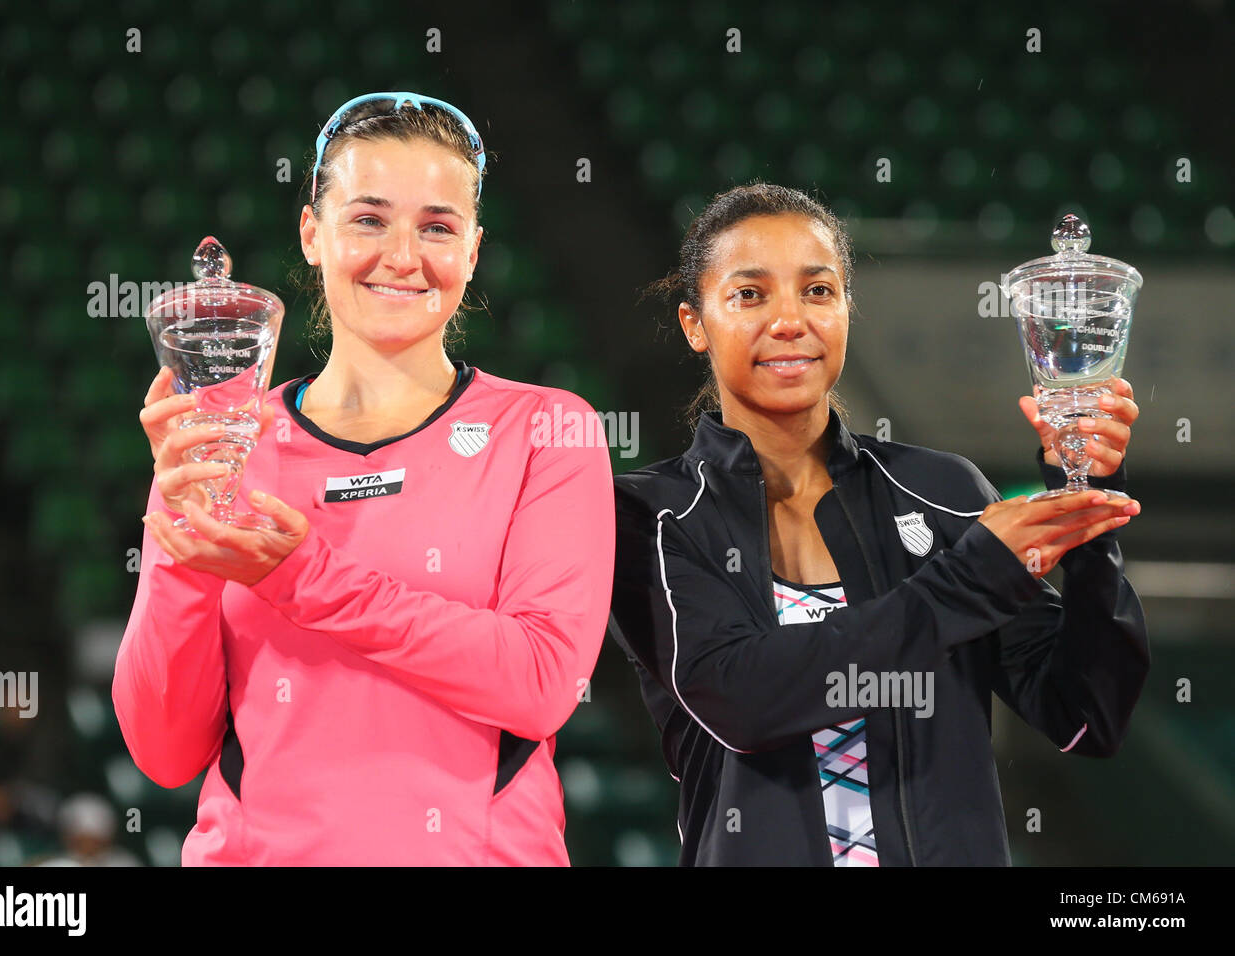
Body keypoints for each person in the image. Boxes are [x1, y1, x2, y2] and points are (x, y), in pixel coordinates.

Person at [114, 92, 615, 865]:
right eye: (369, 219)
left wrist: (301, 575)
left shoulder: (545, 428)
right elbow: (165, 750)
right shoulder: (223, 442)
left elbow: (542, 682)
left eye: (438, 227)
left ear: (474, 251)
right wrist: (182, 547)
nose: (403, 256)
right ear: (313, 234)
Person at [607, 182, 1149, 866]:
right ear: (694, 323)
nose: (789, 320)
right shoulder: (649, 516)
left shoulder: (942, 491)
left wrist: (1090, 513)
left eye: (818, 290)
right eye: (750, 295)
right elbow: (743, 698)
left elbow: (1085, 716)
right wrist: (973, 577)